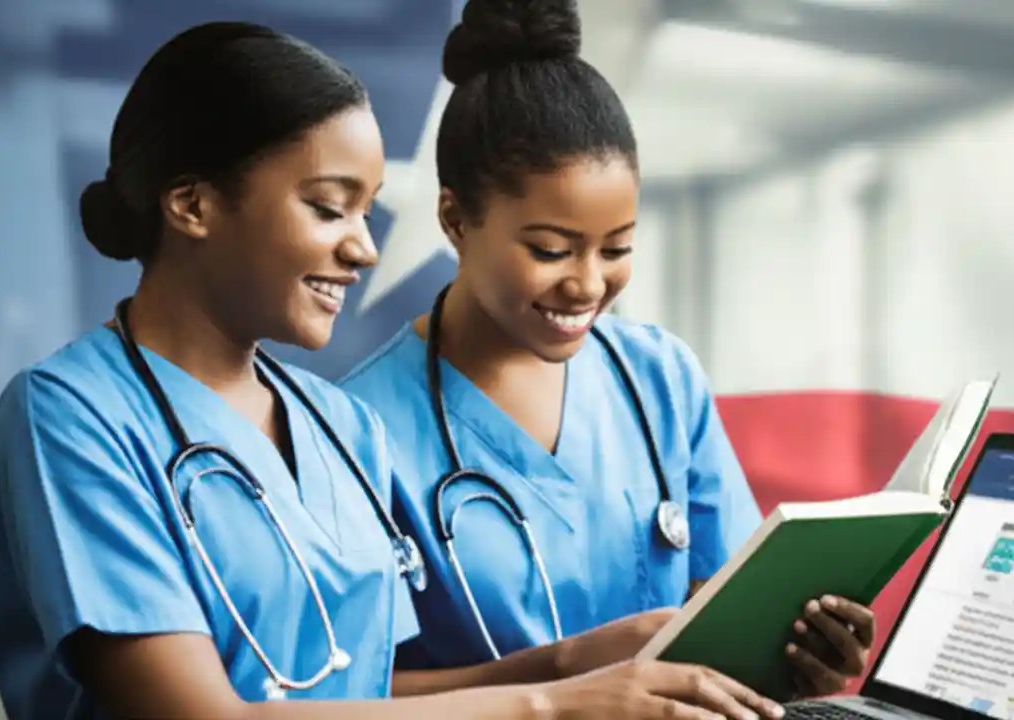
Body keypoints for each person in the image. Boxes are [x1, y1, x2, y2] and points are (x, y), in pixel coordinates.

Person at [0, 21, 785, 720]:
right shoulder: (67, 416)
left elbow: (371, 697)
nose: (364, 248)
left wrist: (575, 661)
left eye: (367, 212)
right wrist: (556, 704)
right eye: (328, 207)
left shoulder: (339, 426)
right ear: (192, 205)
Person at [340, 0, 877, 701]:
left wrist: (796, 655)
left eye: (617, 248)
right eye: (550, 250)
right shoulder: (354, 429)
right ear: (456, 219)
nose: (589, 285)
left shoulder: (661, 378)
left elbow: (722, 618)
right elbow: (343, 698)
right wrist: (566, 671)